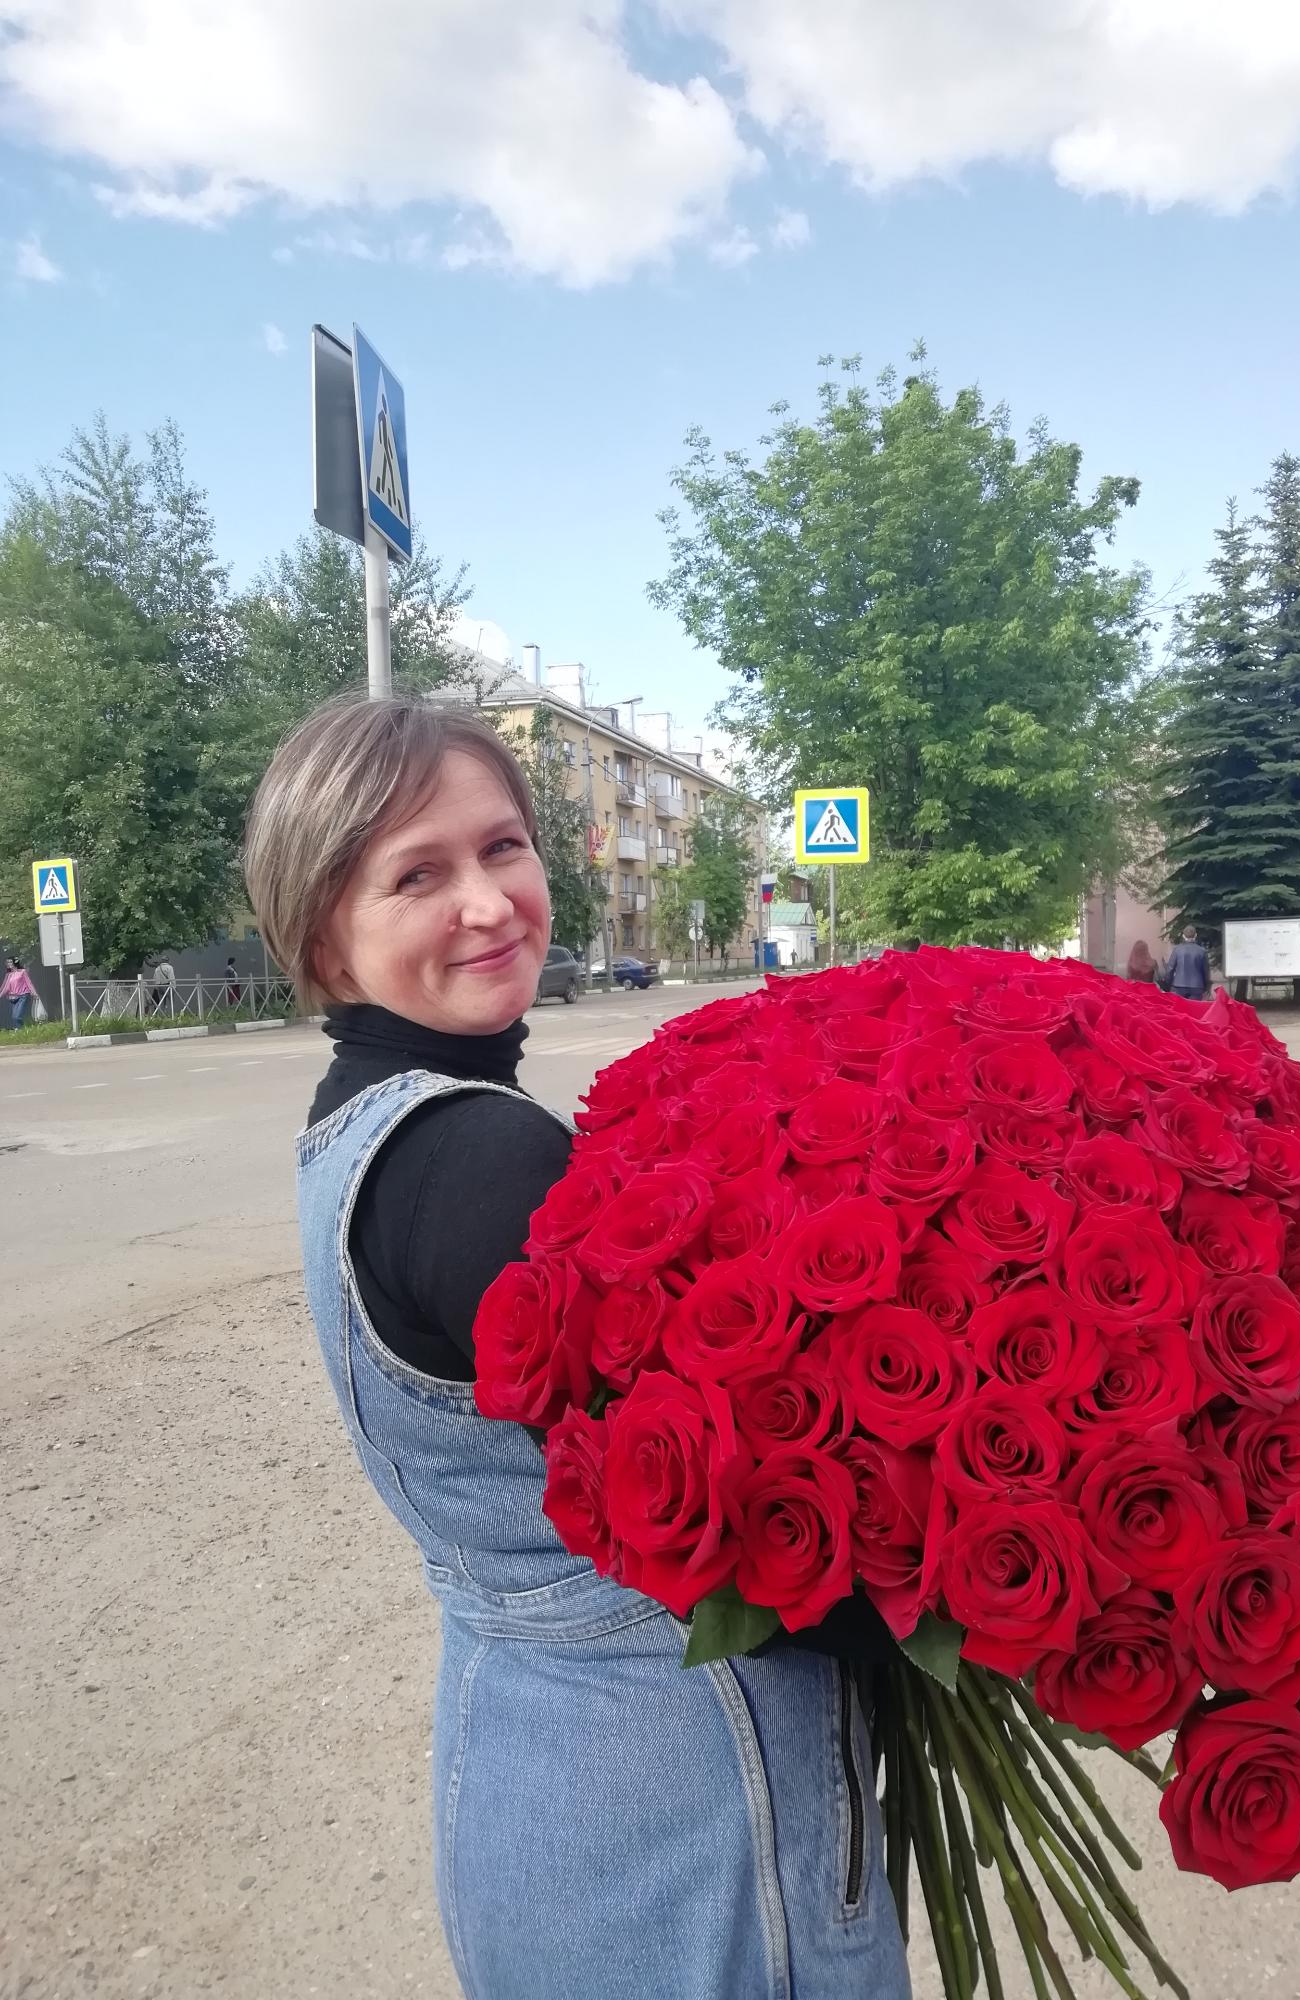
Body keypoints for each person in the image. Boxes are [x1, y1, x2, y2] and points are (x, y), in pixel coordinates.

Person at [243, 694, 908, 2000]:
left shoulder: (362, 1129)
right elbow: (734, 1527)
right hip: (683, 1814)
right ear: (326, 932)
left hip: (531, 1777)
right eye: (418, 874)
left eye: (502, 848)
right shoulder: (480, 1162)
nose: (489, 904)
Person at [1163, 924, 1211, 1001]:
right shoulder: (1202, 951)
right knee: (1193, 1011)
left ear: (1183, 936)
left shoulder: (1177, 949)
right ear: (1195, 935)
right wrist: (1206, 987)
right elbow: (1206, 971)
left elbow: (1170, 969)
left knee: (1179, 1011)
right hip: (1197, 986)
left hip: (1179, 986)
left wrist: (1167, 984)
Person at [2, 956, 38, 1028]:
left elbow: (29, 983)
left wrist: (34, 993)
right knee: (14, 1017)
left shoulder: (22, 972)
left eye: (10, 962)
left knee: (17, 1016)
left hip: (23, 996)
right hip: (13, 998)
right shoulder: (9, 975)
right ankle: (20, 1030)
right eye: (7, 962)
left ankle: (20, 1030)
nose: (8, 964)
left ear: (15, 962)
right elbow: (6, 987)